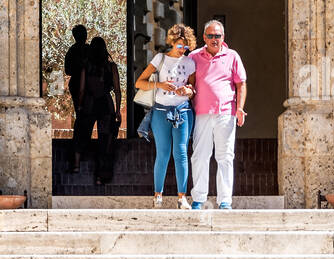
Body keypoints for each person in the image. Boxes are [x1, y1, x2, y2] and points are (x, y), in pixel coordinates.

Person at [133, 24, 197, 209]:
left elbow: (193, 89)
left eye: (185, 47)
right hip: (161, 111)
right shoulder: (160, 59)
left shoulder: (189, 62)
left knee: (181, 153)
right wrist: (160, 85)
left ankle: (182, 197)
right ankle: (158, 195)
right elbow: (140, 82)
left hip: (183, 110)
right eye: (179, 46)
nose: (182, 51)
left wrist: (188, 89)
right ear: (172, 42)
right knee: (163, 153)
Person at [188, 19, 247, 210]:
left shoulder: (232, 56)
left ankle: (225, 201)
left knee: (225, 156)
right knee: (200, 156)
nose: (214, 39)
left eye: (218, 36)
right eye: (211, 36)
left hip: (225, 113)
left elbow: (241, 84)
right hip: (202, 113)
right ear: (204, 37)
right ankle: (198, 198)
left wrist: (239, 108)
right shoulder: (195, 57)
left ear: (223, 37)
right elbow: (190, 82)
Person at [74, 36, 121, 184]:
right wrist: (118, 110)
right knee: (105, 139)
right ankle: (101, 175)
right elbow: (118, 90)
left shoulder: (85, 66)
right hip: (106, 104)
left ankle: (76, 164)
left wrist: (80, 106)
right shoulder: (111, 67)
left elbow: (81, 90)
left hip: (89, 102)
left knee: (81, 131)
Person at [63, 25, 90, 172]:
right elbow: (68, 70)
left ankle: (81, 148)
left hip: (87, 86)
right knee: (82, 116)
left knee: (84, 116)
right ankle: (80, 148)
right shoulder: (75, 51)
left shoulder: (85, 49)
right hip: (79, 85)